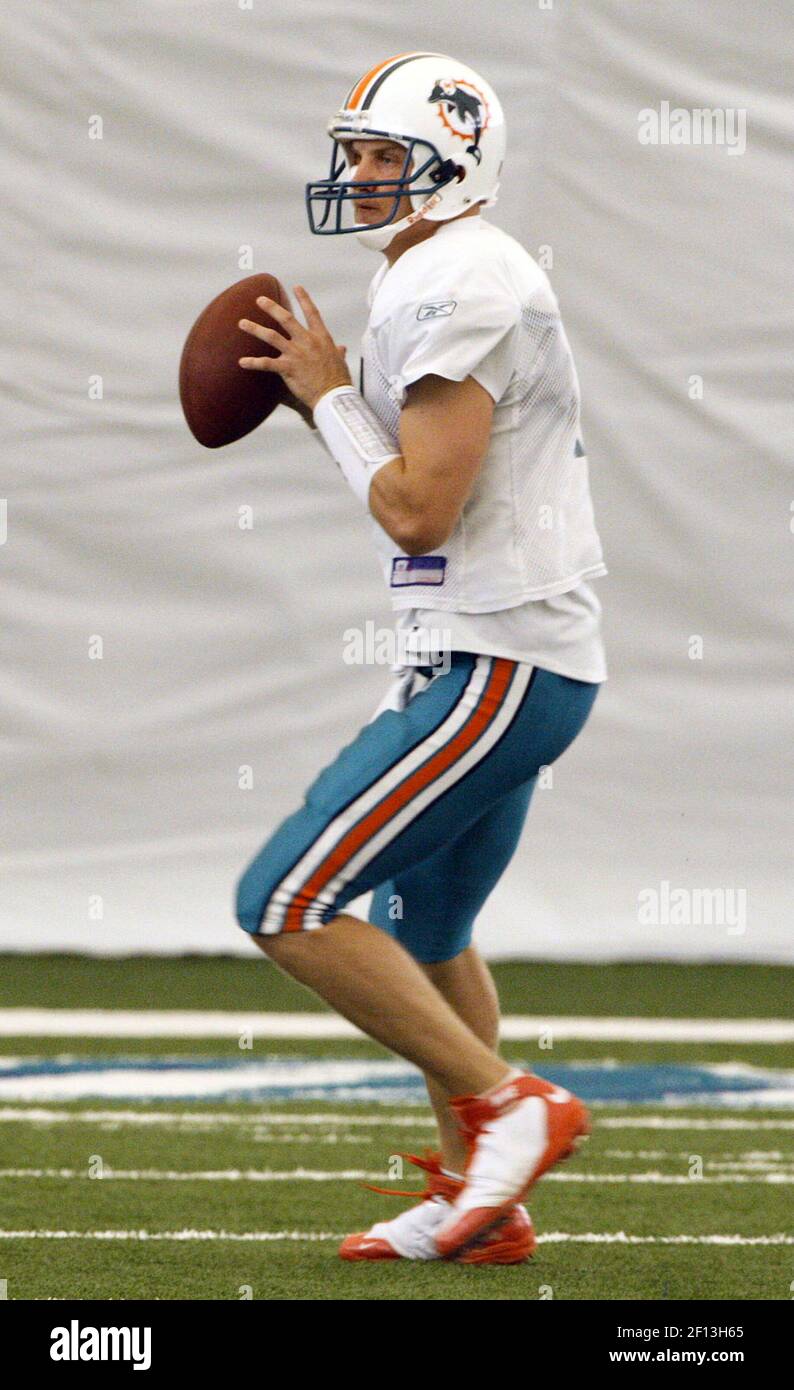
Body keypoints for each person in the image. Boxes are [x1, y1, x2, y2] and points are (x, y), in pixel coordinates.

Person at [235, 51, 608, 1265]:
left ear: (455, 166)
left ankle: (511, 1108)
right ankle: (479, 1203)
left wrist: (331, 399)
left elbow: (416, 512)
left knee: (285, 900)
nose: (359, 179)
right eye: (357, 157)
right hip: (500, 657)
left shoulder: (459, 276)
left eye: (384, 158)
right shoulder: (439, 274)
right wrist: (331, 399)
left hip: (501, 662)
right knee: (427, 927)